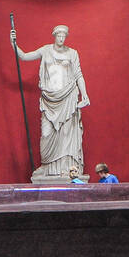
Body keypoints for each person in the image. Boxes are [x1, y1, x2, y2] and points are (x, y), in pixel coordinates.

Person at [11, 23, 90, 178]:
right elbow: (25, 56)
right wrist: (13, 43)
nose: (61, 38)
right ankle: (46, 166)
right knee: (46, 134)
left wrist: (84, 94)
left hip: (68, 96)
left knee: (67, 134)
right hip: (49, 99)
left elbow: (78, 74)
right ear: (54, 36)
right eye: (58, 35)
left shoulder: (73, 53)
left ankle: (69, 168)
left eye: (63, 36)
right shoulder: (45, 50)